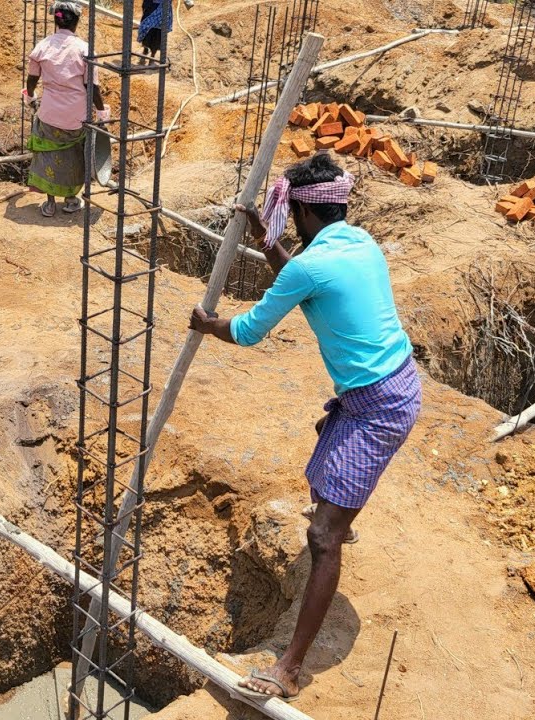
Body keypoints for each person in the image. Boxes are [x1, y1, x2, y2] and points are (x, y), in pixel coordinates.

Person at [188, 153, 421, 701]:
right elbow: (303, 273)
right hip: (391, 383)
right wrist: (265, 240)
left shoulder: (309, 266)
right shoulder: (359, 242)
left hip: (379, 405)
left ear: (299, 213)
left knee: (321, 536)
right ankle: (344, 515)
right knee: (326, 451)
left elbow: (247, 332)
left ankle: (288, 669)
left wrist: (207, 323)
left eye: (287, 213)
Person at [24, 1, 108, 217]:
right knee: (73, 157)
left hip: (49, 114)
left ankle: (50, 203)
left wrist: (31, 96)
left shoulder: (42, 47)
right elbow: (92, 87)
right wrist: (101, 112)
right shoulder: (84, 50)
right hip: (76, 116)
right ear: (77, 22)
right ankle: (71, 199)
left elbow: (31, 80)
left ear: (56, 20)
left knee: (48, 155)